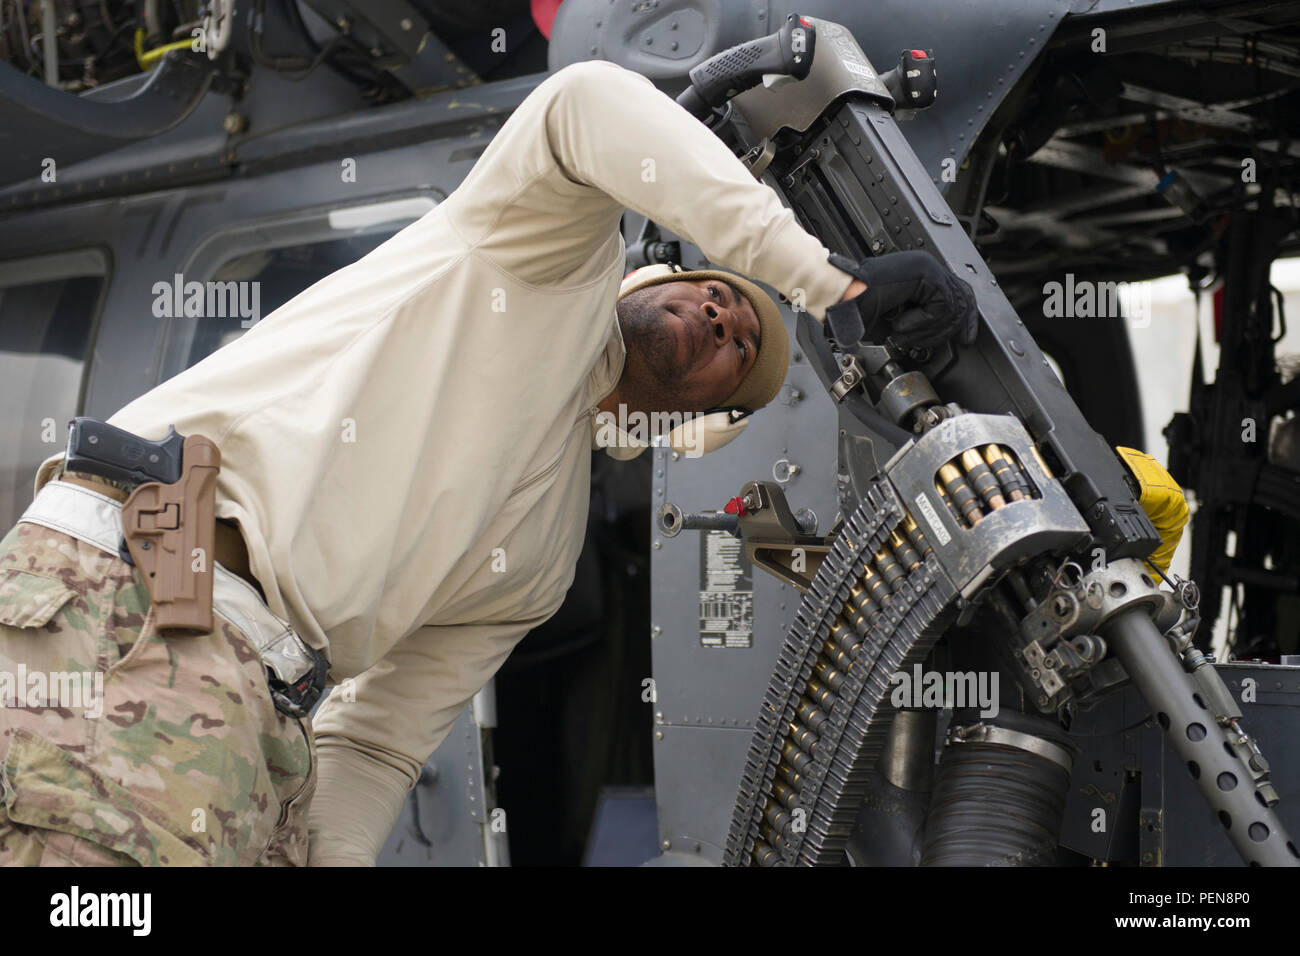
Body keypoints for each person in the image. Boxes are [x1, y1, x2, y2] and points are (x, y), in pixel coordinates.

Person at [0, 58, 981, 866]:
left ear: (695, 415)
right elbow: (583, 102)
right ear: (659, 273)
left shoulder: (540, 556)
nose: (724, 317)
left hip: (244, 698)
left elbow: (378, 738)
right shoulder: (542, 255)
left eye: (738, 352)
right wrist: (819, 281)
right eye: (721, 292)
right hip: (131, 593)